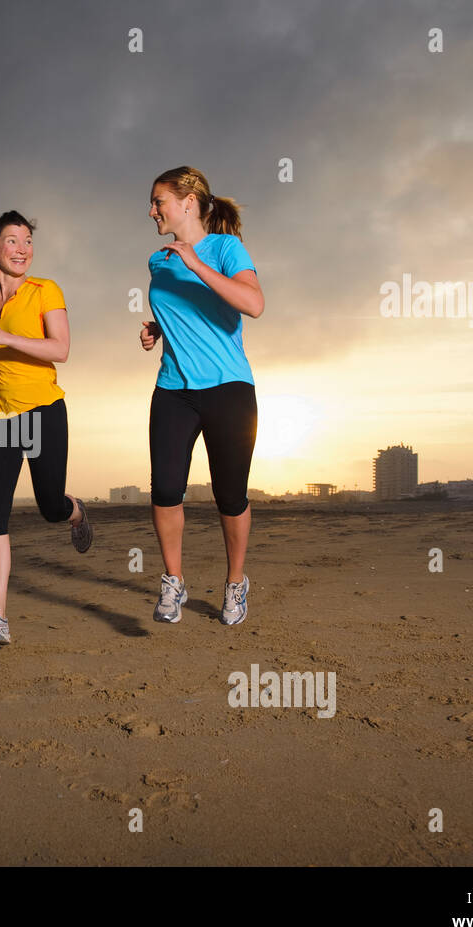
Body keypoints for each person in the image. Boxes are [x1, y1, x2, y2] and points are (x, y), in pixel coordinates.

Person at [0, 210, 92, 646]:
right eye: (13, 241)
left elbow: (61, 348)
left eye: (28, 241)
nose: (22, 249)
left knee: (48, 503)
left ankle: (75, 512)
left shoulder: (45, 290)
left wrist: (6, 336)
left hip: (43, 409)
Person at [138, 167, 264, 627]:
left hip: (228, 388)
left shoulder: (226, 249)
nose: (152, 211)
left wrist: (196, 263)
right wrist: (158, 329)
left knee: (230, 496)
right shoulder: (158, 261)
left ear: (187, 201)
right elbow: (186, 312)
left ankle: (235, 584)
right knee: (166, 490)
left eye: (158, 202)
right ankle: (173, 581)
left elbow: (252, 304)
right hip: (173, 389)